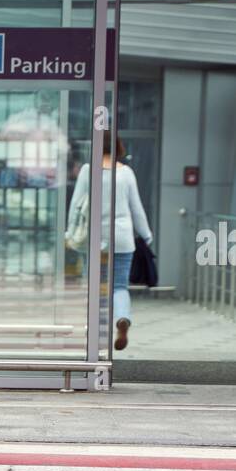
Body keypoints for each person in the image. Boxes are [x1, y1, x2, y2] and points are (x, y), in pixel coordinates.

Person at [66, 130, 153, 351]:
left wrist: (69, 233)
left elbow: (76, 204)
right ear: (117, 145)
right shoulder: (126, 173)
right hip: (122, 238)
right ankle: (122, 318)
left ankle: (96, 332)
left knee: (93, 285)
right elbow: (137, 209)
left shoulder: (88, 170)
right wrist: (146, 235)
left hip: (94, 237)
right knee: (119, 286)